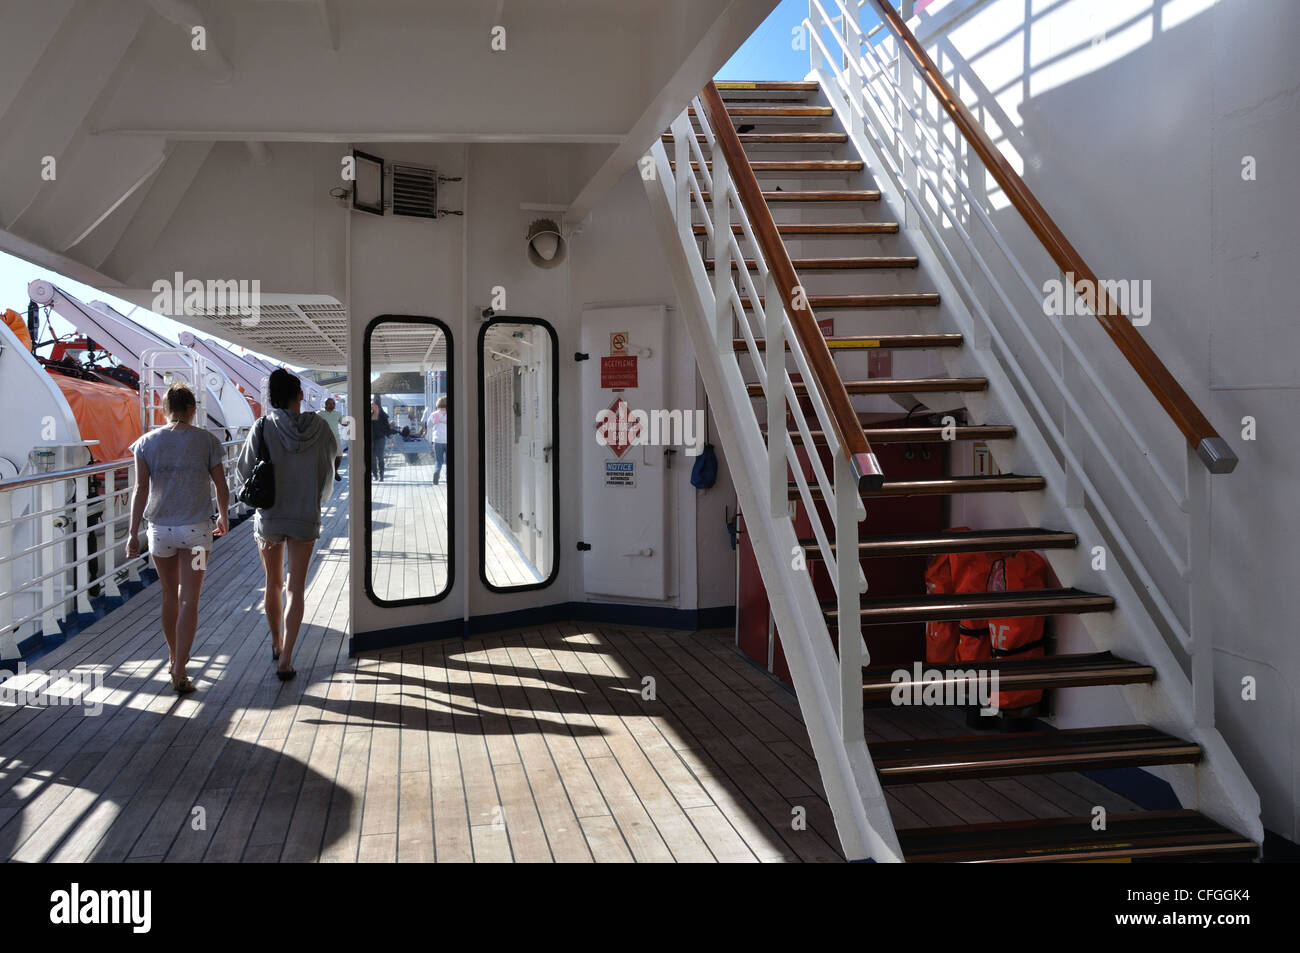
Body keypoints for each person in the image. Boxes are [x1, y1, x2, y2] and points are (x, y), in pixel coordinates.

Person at [125, 382, 229, 694]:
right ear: (192, 409)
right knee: (189, 600)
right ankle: (180, 667)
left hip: (161, 534)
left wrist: (132, 533)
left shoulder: (145, 443)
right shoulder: (207, 441)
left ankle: (174, 656)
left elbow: (140, 490)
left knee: (169, 596)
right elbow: (220, 486)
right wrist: (223, 515)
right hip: (196, 533)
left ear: (166, 409)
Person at [237, 368, 337, 682]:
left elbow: (244, 470)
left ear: (271, 397)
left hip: (270, 516)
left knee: (273, 584)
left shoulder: (263, 425)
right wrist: (315, 498)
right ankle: (288, 660)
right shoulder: (320, 427)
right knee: (296, 589)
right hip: (305, 516)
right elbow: (329, 465)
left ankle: (276, 643)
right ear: (300, 396)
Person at [317, 397, 344, 482]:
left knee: (339, 456)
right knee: (325, 457)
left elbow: (343, 423)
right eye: (332, 403)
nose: (334, 405)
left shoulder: (338, 413)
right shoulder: (319, 413)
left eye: (334, 403)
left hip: (336, 438)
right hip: (324, 439)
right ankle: (326, 474)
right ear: (326, 404)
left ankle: (335, 472)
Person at [424, 395, 449, 484]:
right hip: (447, 440)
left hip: (437, 440)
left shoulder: (434, 414)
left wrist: (436, 424)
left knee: (438, 460)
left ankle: (436, 473)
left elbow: (428, 425)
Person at [370, 395, 390, 482]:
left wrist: (390, 436)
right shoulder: (370, 415)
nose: (371, 406)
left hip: (380, 438)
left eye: (372, 404)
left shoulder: (383, 416)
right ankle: (375, 475)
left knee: (380, 457)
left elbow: (387, 428)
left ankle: (381, 475)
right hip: (371, 438)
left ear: (376, 406)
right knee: (372, 457)